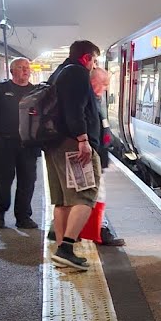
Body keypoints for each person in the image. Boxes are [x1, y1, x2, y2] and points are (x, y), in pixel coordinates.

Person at [45, 40, 103, 271]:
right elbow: (74, 110)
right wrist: (83, 140)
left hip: (54, 144)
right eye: (94, 60)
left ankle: (62, 252)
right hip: (71, 144)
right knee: (85, 194)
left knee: (62, 200)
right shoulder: (77, 74)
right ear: (86, 57)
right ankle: (66, 248)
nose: (93, 66)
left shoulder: (59, 72)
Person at [0, 56, 39, 229]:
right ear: (12, 71)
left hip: (28, 146)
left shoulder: (36, 92)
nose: (25, 70)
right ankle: (0, 212)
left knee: (27, 182)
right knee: (2, 182)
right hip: (4, 145)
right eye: (21, 67)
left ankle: (23, 217)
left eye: (27, 67)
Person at [90, 66, 126, 247]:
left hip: (98, 157)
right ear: (93, 81)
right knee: (97, 196)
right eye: (103, 83)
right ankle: (99, 233)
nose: (105, 87)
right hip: (93, 158)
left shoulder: (95, 100)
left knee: (96, 196)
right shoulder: (89, 101)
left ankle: (97, 231)